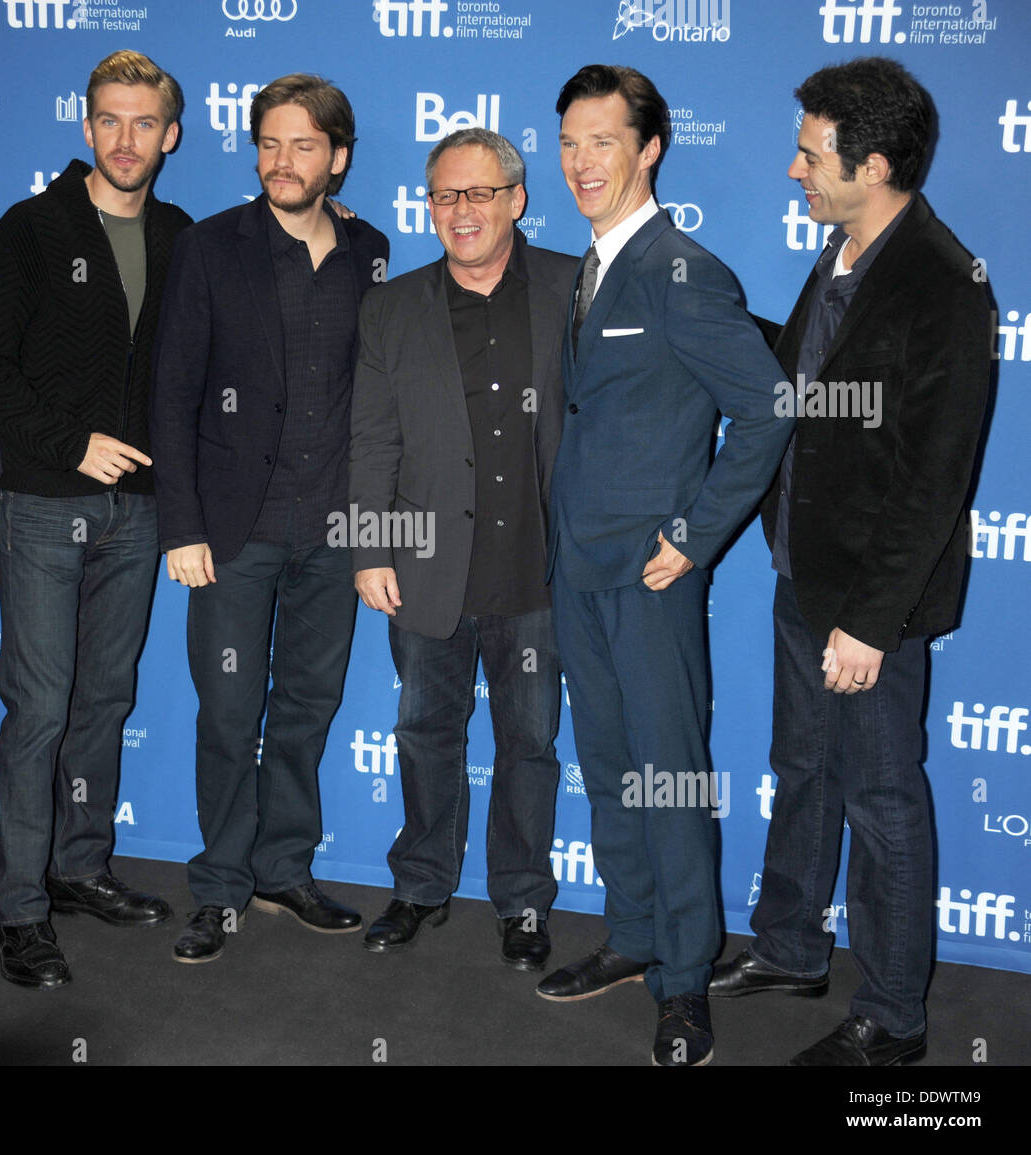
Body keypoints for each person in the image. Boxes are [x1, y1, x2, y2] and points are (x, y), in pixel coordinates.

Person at [709, 57, 992, 1067]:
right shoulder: (841, 252)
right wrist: (703, 319)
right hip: (802, 571)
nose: (794, 170)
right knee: (803, 770)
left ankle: (895, 1018)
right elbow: (805, 374)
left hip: (874, 602)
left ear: (870, 163)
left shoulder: (942, 281)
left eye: (809, 151)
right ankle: (790, 948)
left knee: (880, 802)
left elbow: (934, 478)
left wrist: (872, 624)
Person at [539, 64, 793, 1066]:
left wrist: (692, 536)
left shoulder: (683, 271)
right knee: (608, 770)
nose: (580, 162)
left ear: (648, 149)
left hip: (648, 578)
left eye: (601, 140)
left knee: (667, 777)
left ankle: (684, 979)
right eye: (568, 141)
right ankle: (634, 935)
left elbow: (768, 406)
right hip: (576, 567)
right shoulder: (585, 270)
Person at [0, 50, 191, 989]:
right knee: (40, 708)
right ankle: (19, 908)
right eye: (109, 120)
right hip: (47, 505)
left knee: (105, 702)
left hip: (138, 512)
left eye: (144, 123)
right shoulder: (31, 226)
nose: (125, 138)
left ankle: (80, 866)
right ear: (86, 125)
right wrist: (71, 444)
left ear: (170, 135)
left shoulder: (181, 234)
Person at [151, 74, 388, 964]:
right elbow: (171, 393)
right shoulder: (212, 247)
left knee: (306, 707)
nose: (282, 162)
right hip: (231, 531)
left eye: (302, 145)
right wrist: (181, 524)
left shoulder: (372, 248)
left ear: (339, 156)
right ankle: (217, 888)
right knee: (227, 711)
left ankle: (284, 868)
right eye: (268, 143)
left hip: (331, 532)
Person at [350, 129, 573, 969]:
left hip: (539, 573)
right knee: (425, 732)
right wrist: (370, 547)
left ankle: (521, 901)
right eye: (446, 195)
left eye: (480, 194)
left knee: (530, 744)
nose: (461, 211)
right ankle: (419, 885)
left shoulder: (570, 287)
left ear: (516, 199)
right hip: (424, 569)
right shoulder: (392, 305)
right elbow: (371, 437)